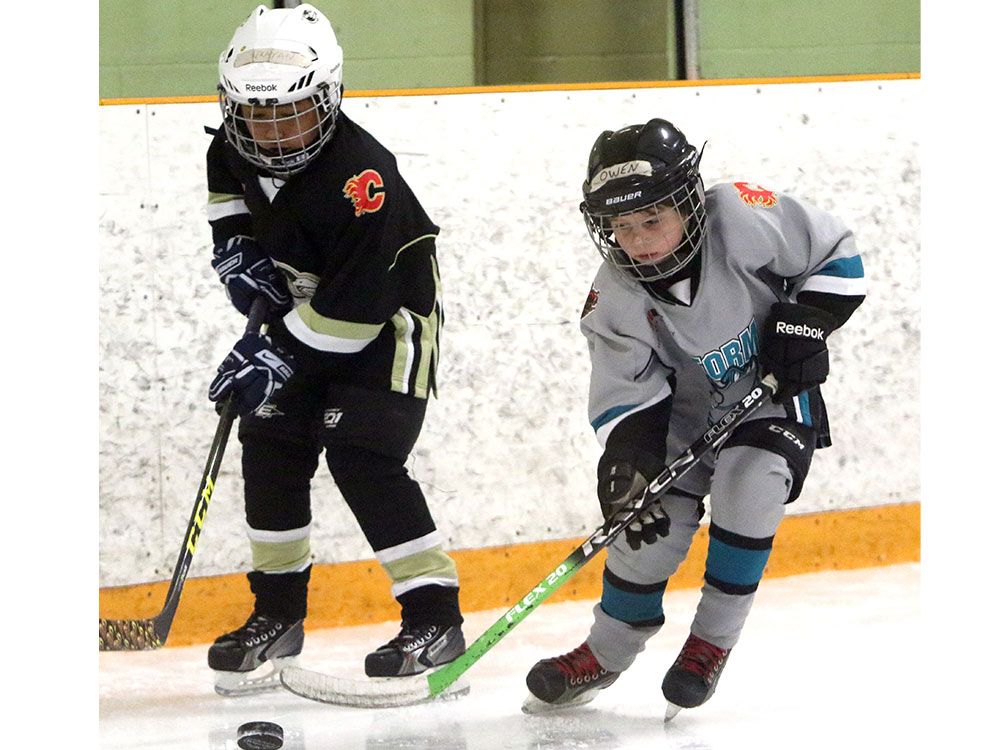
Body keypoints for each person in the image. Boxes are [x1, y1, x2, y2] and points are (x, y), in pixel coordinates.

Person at [523, 119, 865, 718]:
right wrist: (628, 461)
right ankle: (606, 653)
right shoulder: (614, 295)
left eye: (652, 218)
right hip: (683, 422)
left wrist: (805, 319)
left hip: (771, 397)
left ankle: (710, 643)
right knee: (642, 529)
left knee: (748, 485)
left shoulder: (740, 216)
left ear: (688, 200)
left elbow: (837, 253)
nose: (639, 241)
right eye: (621, 226)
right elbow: (626, 395)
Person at [202, 4, 464, 696]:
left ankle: (435, 616)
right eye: (258, 117)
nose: (275, 134)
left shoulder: (363, 176)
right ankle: (277, 614)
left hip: (388, 328)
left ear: (329, 98)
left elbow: (353, 317)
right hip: (306, 318)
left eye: (292, 115)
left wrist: (274, 356)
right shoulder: (230, 144)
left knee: (362, 453)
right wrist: (235, 255)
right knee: (269, 438)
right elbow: (227, 198)